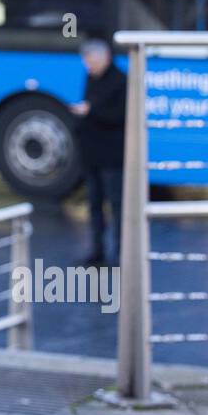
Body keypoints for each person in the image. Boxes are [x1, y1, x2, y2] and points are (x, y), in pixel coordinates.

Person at [69, 37, 127, 267]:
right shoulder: (92, 78)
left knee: (116, 205)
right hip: (92, 153)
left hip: (112, 155)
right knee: (94, 205)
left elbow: (120, 116)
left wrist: (91, 111)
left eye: (90, 60)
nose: (87, 65)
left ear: (104, 58)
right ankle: (98, 249)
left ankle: (120, 251)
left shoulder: (120, 81)